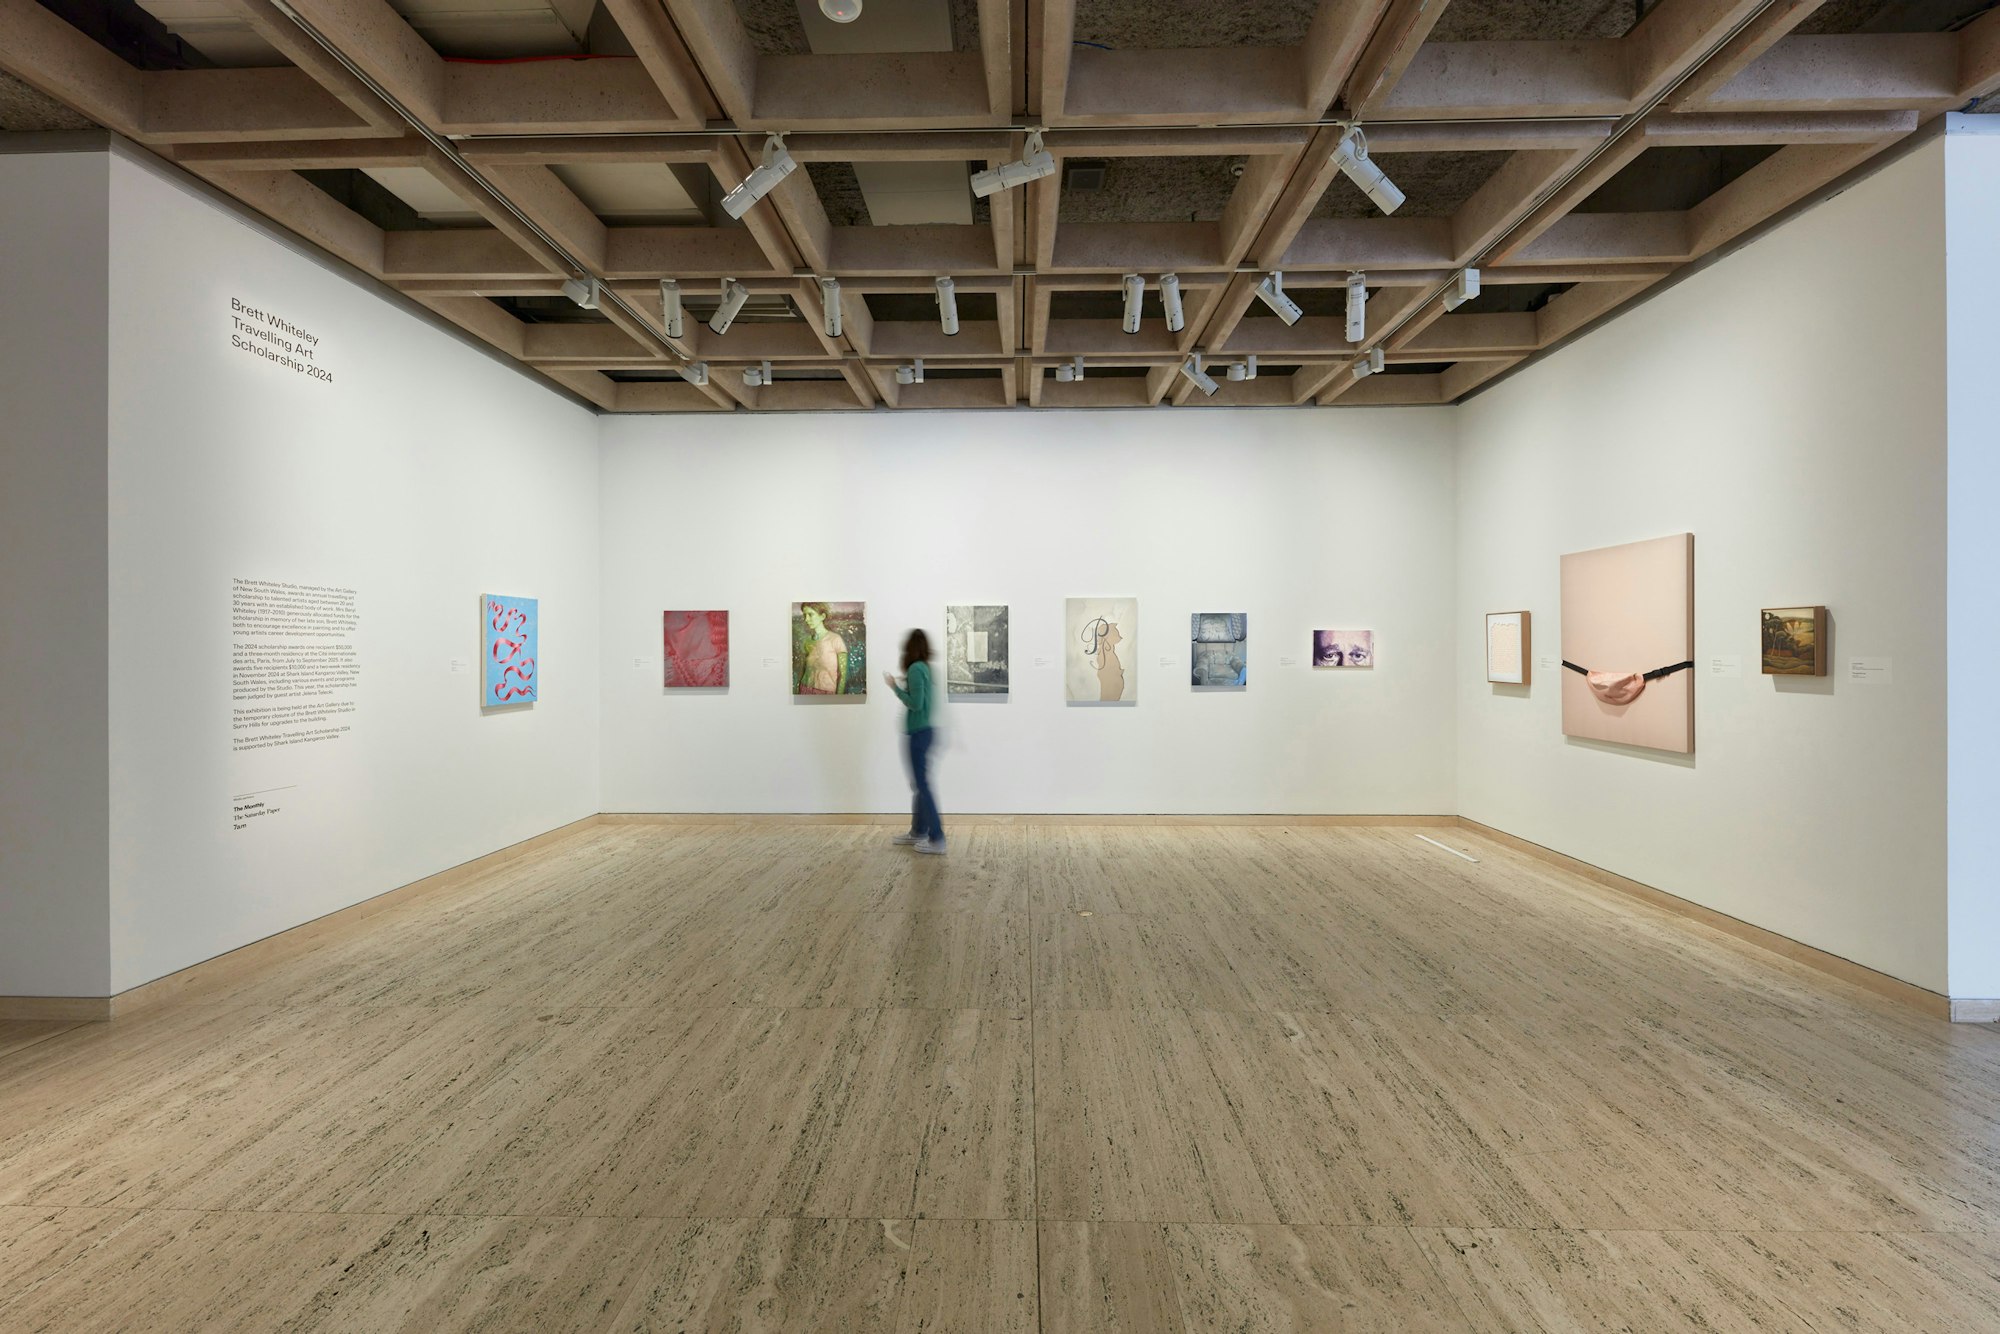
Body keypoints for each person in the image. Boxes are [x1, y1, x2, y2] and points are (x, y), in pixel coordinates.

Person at [886, 629, 945, 854]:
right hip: (924, 731)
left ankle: (937, 838)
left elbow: (916, 704)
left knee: (922, 786)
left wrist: (894, 688)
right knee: (919, 785)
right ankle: (918, 830)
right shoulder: (924, 668)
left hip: (919, 733)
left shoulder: (915, 668)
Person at [798, 602, 847, 694]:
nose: (806, 619)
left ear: (822, 616)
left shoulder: (835, 639)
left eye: (810, 615)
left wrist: (839, 697)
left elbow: (843, 675)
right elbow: (803, 670)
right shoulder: (807, 641)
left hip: (826, 692)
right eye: (805, 615)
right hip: (804, 688)